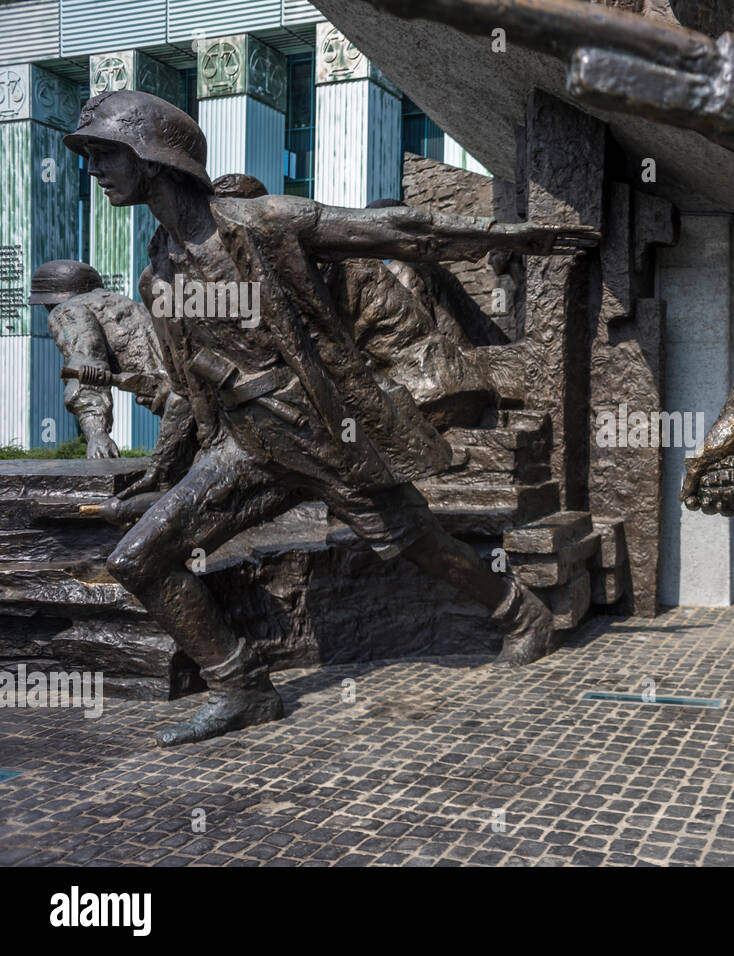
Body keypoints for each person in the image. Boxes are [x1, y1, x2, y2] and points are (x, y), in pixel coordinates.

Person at [64, 89, 596, 746]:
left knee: (420, 545)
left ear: (152, 157)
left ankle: (520, 611)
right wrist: (167, 470)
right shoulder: (159, 274)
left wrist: (516, 236)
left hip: (325, 435)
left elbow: (398, 231)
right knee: (139, 557)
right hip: (248, 446)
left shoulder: (262, 222)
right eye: (87, 157)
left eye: (103, 154)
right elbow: (188, 386)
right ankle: (244, 688)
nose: (95, 170)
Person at [28, 260, 165, 459]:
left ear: (50, 302)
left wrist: (96, 433)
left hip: (178, 401)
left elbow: (86, 367)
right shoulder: (126, 305)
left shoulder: (67, 310)